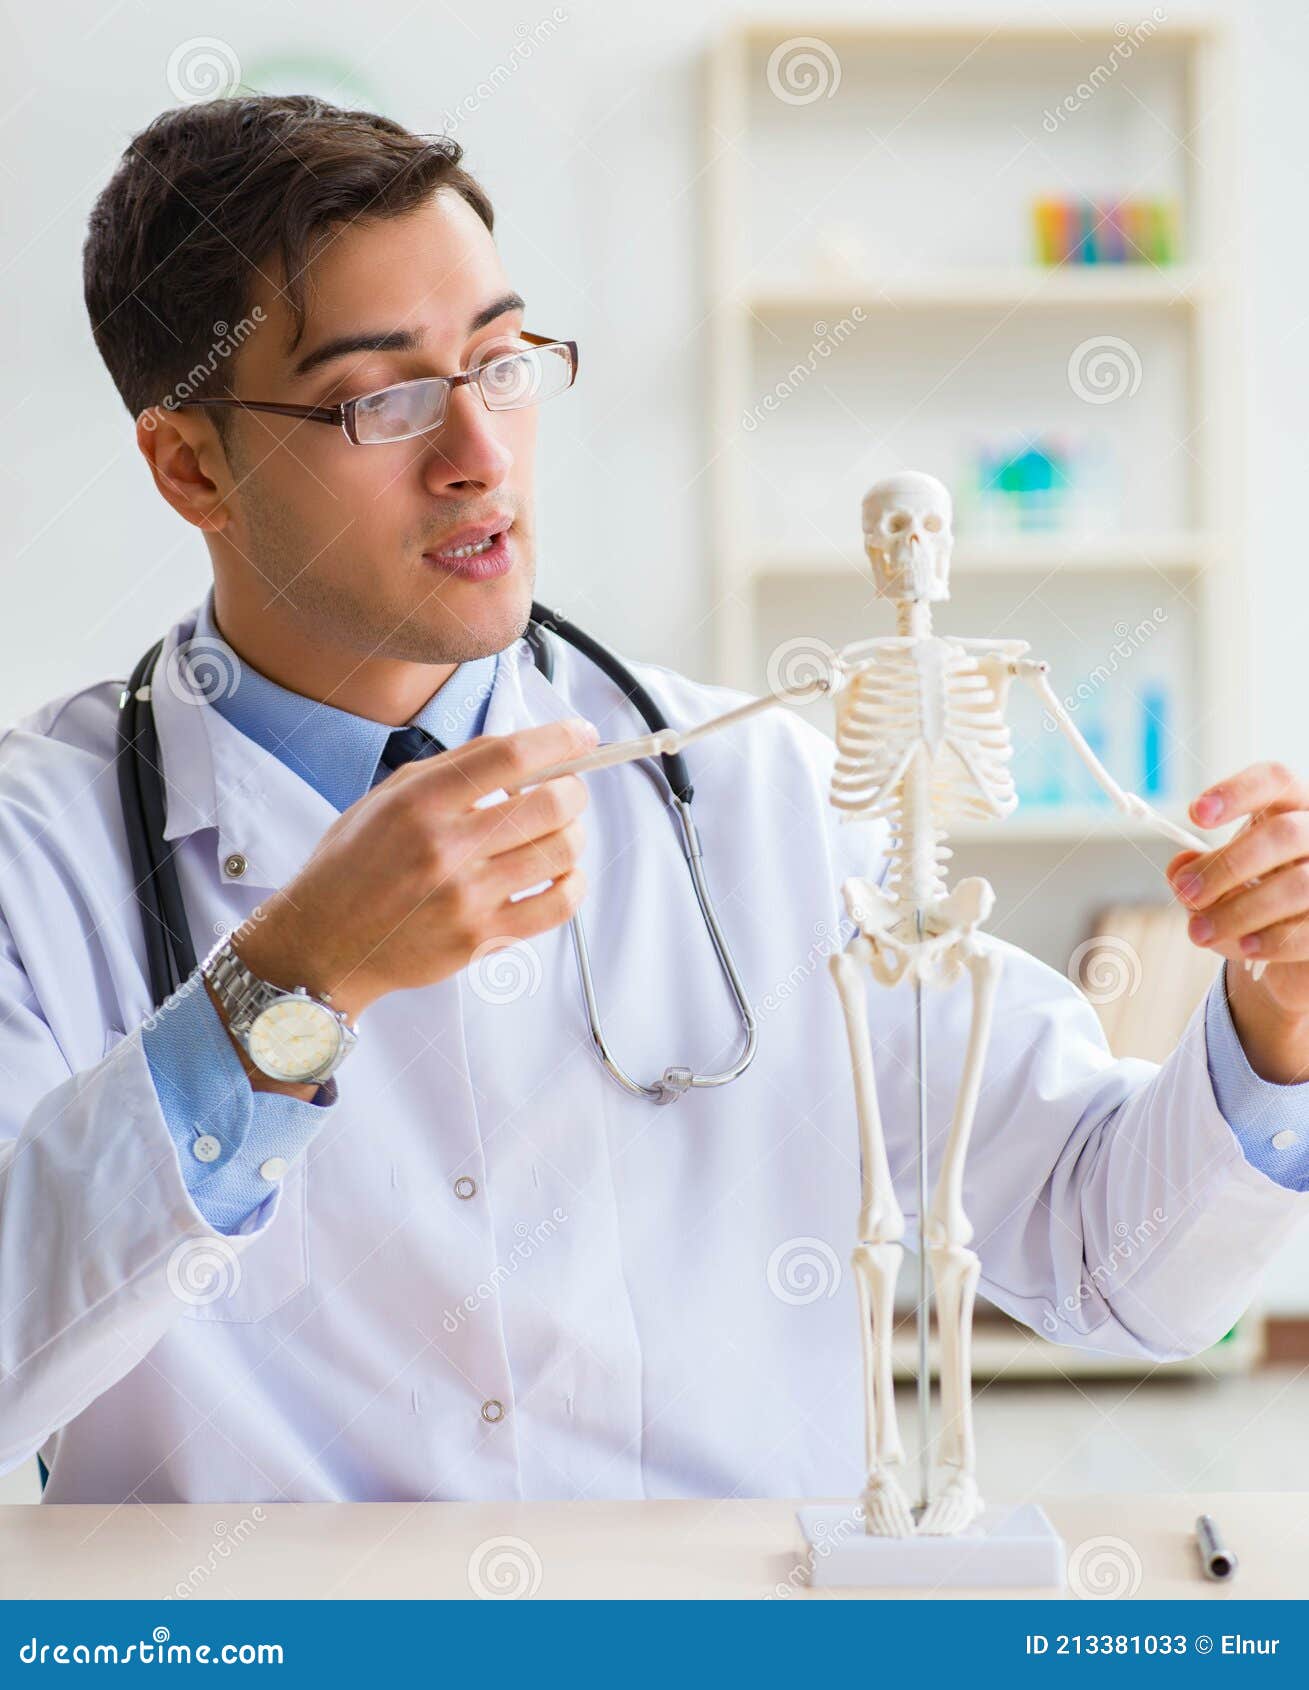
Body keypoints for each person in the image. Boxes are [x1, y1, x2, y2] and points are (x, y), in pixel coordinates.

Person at [2, 95, 1307, 1506]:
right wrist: (284, 990)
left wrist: (1272, 1026)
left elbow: (1114, 1268)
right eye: (383, 398)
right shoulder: (42, 848)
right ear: (189, 463)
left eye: (500, 364)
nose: (478, 452)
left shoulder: (744, 790)